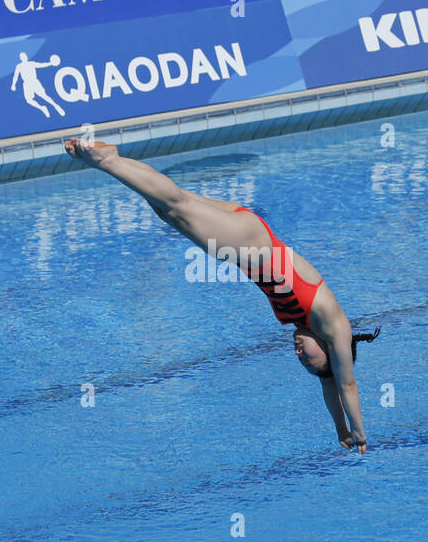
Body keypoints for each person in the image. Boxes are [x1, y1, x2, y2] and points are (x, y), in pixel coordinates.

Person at [62, 137, 377, 453]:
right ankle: (105, 161)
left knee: (168, 209)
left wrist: (340, 429)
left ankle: (112, 159)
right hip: (251, 245)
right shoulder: (334, 325)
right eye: (309, 359)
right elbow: (345, 384)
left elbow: (329, 387)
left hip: (249, 238)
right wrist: (360, 433)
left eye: (302, 362)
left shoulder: (310, 326)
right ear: (330, 352)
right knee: (177, 207)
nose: (299, 355)